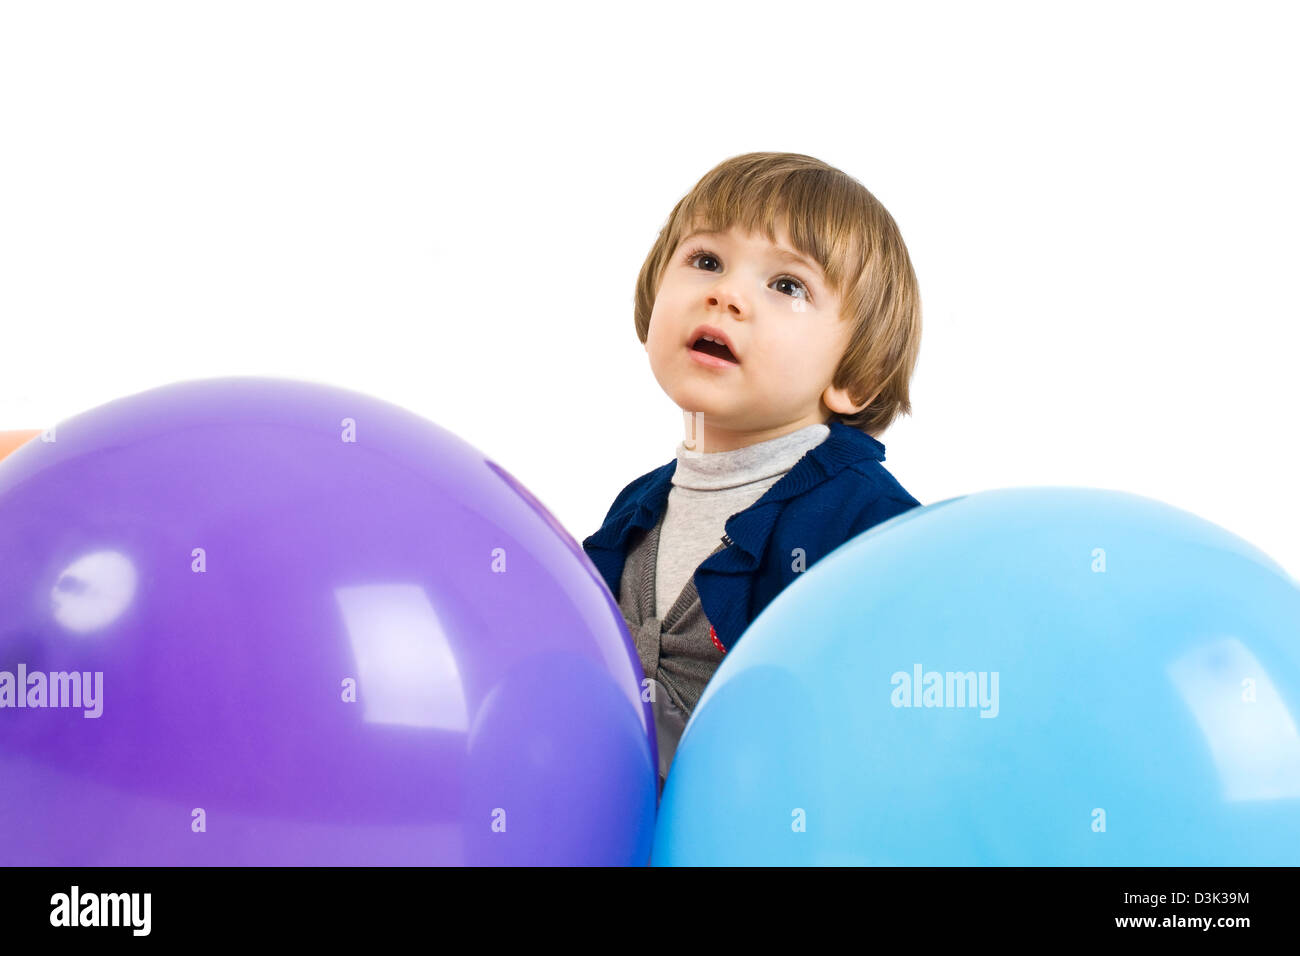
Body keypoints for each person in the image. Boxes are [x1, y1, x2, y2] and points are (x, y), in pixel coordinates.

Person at [582, 151, 924, 795]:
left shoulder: (870, 527)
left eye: (787, 285)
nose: (727, 293)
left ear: (855, 377)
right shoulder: (636, 508)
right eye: (706, 260)